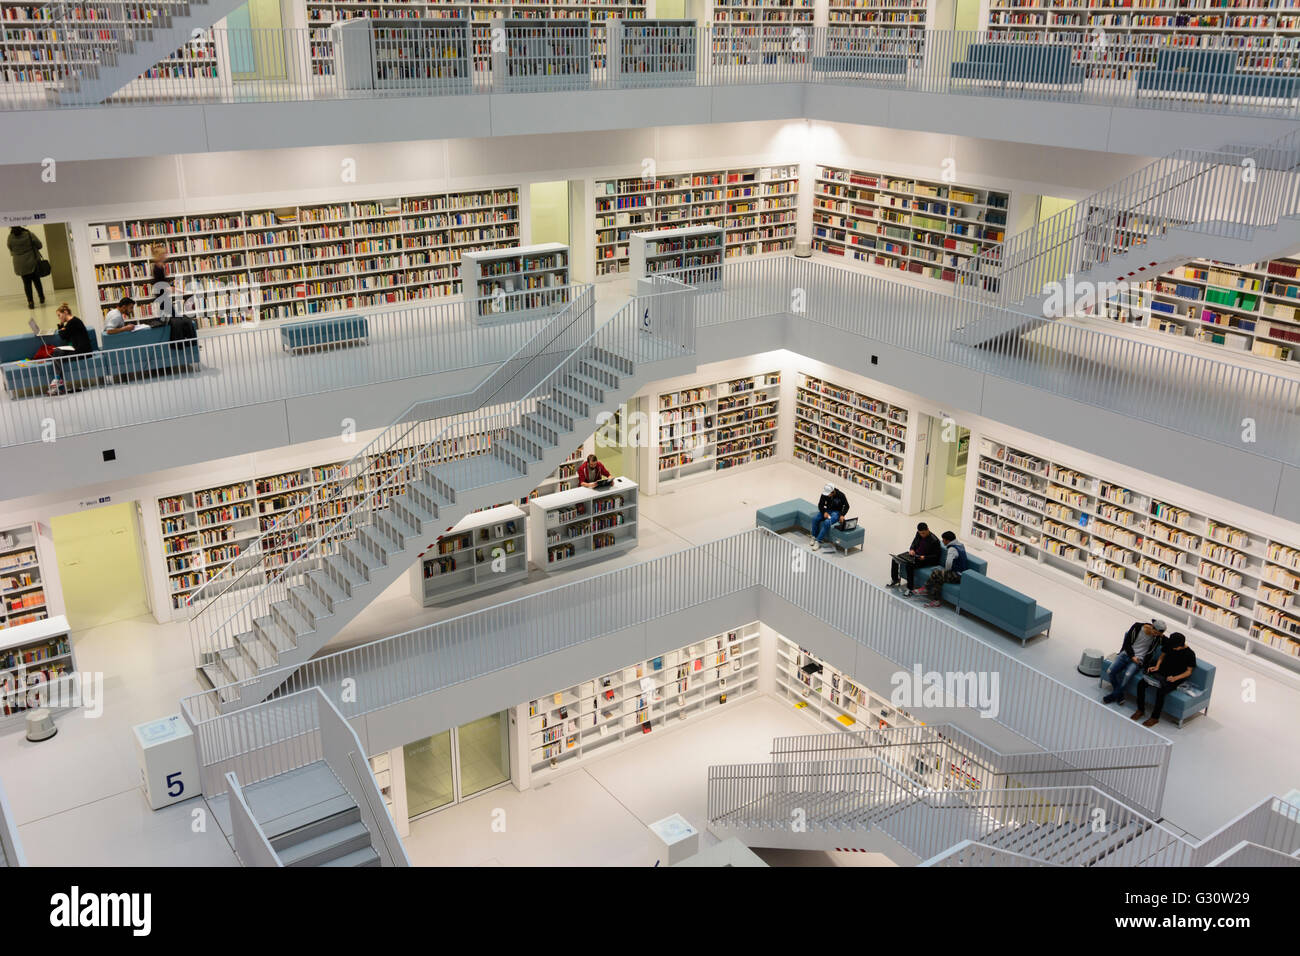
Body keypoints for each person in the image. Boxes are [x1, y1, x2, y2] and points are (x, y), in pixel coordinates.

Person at [1132, 632, 1196, 728]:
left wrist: (1175, 678)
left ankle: (1155, 717)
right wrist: (1157, 666)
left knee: (1161, 692)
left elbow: (1189, 671)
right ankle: (1140, 710)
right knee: (1141, 684)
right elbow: (1162, 655)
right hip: (1162, 671)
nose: (1173, 648)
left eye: (1175, 647)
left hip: (1175, 677)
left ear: (1181, 645)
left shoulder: (1190, 654)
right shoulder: (1170, 645)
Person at [1101, 619, 1166, 706]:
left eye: (1158, 634)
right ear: (1152, 627)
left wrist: (1184, 646)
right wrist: (1132, 656)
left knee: (1127, 675)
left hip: (1139, 660)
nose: (1156, 635)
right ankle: (1119, 695)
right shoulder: (1137, 627)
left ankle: (1112, 696)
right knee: (1110, 672)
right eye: (1155, 633)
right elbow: (1127, 643)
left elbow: (1170, 642)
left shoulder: (1157, 637)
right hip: (1126, 654)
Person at [47, 303, 94, 396]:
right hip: (78, 348)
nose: (59, 318)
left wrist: (61, 325)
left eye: (59, 315)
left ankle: (58, 381)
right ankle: (59, 383)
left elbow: (63, 335)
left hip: (83, 351)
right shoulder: (72, 322)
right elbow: (66, 337)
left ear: (65, 312)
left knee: (56, 353)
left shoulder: (73, 322)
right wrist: (63, 327)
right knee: (56, 353)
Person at [887, 522, 943, 593]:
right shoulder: (918, 534)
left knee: (909, 565)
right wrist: (912, 549)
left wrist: (925, 557)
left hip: (925, 560)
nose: (922, 535)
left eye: (923, 533)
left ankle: (910, 588)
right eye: (920, 533)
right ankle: (895, 580)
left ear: (928, 529)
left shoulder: (934, 541)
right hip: (915, 555)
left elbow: (936, 556)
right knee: (895, 559)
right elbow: (914, 543)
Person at [923, 531, 969, 606]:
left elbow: (948, 562)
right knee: (939, 578)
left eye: (943, 539)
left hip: (957, 576)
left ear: (947, 540)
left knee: (936, 573)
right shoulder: (960, 545)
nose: (942, 541)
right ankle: (936, 601)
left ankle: (926, 588)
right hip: (962, 575)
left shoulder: (952, 549)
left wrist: (945, 571)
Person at [8, 225, 45, 310]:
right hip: (32, 261)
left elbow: (10, 248)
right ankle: (41, 297)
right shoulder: (28, 234)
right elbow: (39, 245)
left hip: (20, 264)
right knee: (37, 280)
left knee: (26, 283)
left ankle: (30, 302)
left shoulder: (10, 237)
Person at [809, 483, 849, 552]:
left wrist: (842, 515)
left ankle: (818, 541)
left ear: (833, 492)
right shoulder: (824, 494)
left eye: (828, 494)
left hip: (836, 513)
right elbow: (820, 505)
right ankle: (813, 536)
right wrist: (824, 512)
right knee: (815, 519)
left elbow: (847, 506)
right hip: (827, 510)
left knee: (827, 522)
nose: (827, 495)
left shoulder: (841, 495)